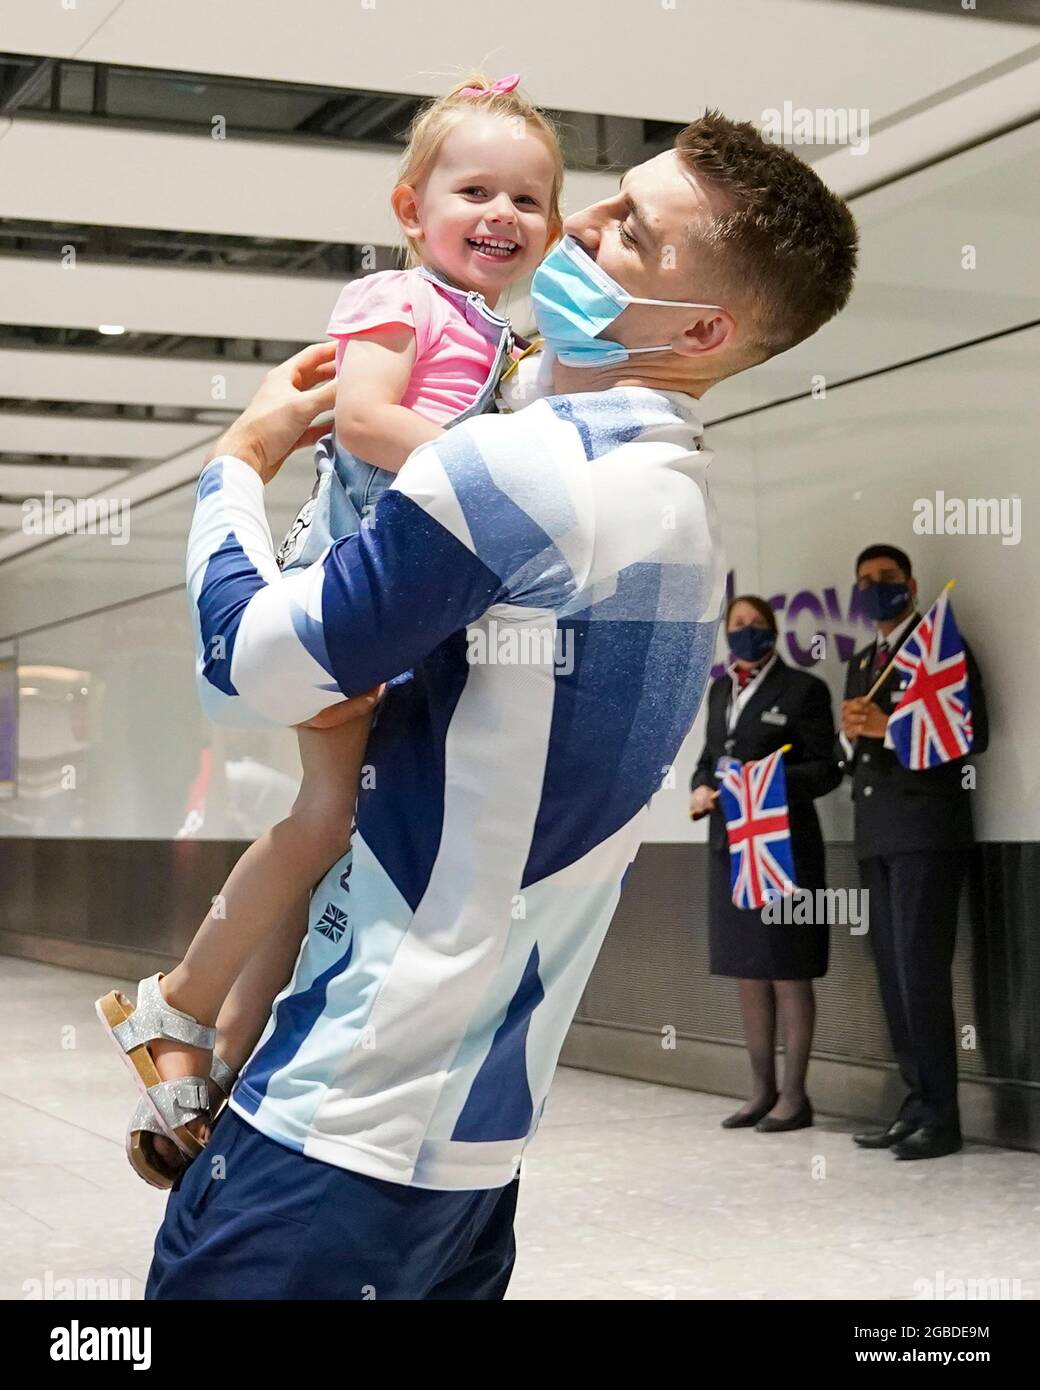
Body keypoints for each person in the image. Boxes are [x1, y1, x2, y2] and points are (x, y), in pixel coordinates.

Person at [145, 110, 858, 1300]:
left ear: (699, 329)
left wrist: (239, 459)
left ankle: (175, 1016)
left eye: (628, 230)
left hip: (334, 1142)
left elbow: (253, 661)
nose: (576, 220)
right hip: (469, 1156)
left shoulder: (522, 478)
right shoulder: (675, 511)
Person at [94, 74, 564, 1186]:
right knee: (317, 820)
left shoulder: (497, 333)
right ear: (412, 211)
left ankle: (218, 1069)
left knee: (335, 835)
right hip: (351, 596)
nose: (502, 214)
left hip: (407, 604)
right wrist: (499, 469)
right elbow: (360, 419)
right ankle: (179, 1004)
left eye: (529, 200)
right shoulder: (394, 301)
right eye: (474, 190)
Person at [840, 544, 988, 1160]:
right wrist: (853, 736)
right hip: (877, 833)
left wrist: (887, 726)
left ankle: (943, 1117)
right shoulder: (860, 661)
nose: (877, 589)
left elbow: (970, 730)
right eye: (866, 582)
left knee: (923, 977)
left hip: (927, 832)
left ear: (911, 583)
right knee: (895, 980)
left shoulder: (939, 649)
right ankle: (916, 1102)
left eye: (888, 579)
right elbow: (857, 754)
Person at [690, 596, 841, 1132]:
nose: (747, 633)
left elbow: (827, 770)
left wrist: (763, 782)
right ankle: (760, 1091)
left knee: (788, 972)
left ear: (774, 632)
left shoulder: (804, 690)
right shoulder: (720, 690)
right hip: (730, 850)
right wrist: (701, 787)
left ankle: (795, 1098)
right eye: (738, 626)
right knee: (749, 972)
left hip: (784, 852)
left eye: (757, 625)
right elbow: (709, 761)